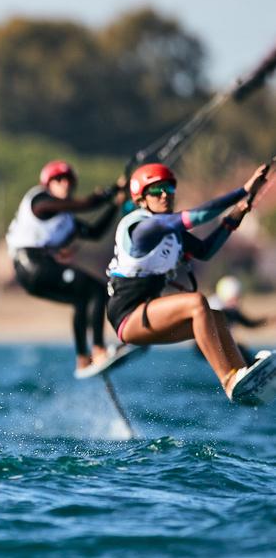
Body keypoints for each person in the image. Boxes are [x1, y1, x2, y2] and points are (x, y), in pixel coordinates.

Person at [106, 162, 276, 405]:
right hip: (127, 316)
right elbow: (197, 216)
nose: (164, 195)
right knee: (197, 303)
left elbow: (205, 251)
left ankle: (241, 376)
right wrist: (244, 189)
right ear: (142, 199)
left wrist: (236, 215)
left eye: (168, 189)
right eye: (156, 191)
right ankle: (227, 380)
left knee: (216, 318)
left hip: (148, 313)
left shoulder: (171, 233)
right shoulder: (142, 227)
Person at [6, 160, 126, 372]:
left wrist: (115, 204)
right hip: (32, 265)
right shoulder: (40, 201)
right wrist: (112, 190)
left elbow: (96, 232)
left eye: (69, 180)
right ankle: (98, 350)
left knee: (82, 298)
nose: (65, 184)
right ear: (48, 184)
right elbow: (87, 204)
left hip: (34, 272)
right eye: (58, 180)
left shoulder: (67, 220)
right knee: (97, 290)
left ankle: (83, 358)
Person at [207, 276, 268, 363]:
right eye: (235, 298)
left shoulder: (230, 309)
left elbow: (248, 323)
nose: (237, 302)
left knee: (240, 350)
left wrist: (266, 320)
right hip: (207, 345)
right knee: (237, 350)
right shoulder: (214, 307)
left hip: (221, 343)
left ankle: (248, 368)